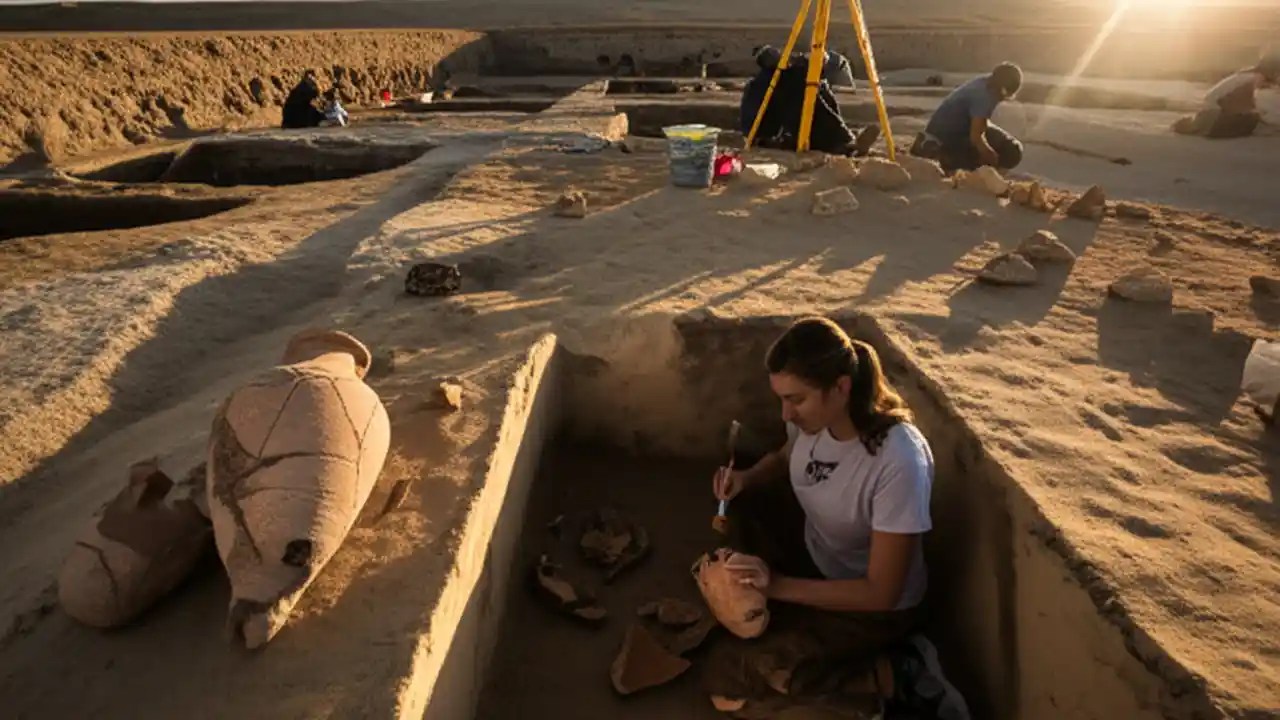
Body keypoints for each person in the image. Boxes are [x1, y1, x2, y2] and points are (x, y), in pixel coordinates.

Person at [704, 317, 968, 719]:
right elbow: (787, 456)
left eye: (796, 400)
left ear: (841, 388)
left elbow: (882, 592)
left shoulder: (897, 461)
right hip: (818, 551)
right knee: (743, 504)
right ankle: (797, 628)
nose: (786, 413)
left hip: (871, 607)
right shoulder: (815, 419)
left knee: (731, 681)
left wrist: (777, 587)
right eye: (781, 399)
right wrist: (745, 479)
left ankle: (897, 675)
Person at [739, 46, 879, 156]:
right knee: (807, 92)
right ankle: (842, 143)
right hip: (771, 134)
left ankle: (843, 140)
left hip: (781, 129)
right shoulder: (783, 79)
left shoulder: (786, 76)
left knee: (815, 90)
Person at [910, 62, 1024, 174]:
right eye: (1006, 95)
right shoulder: (984, 96)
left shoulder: (986, 83)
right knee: (1005, 152)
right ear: (1003, 89)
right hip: (946, 137)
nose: (1003, 99)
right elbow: (976, 137)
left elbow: (980, 123)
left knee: (1009, 147)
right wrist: (989, 155)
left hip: (957, 128)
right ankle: (941, 156)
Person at [1173, 50, 1280, 139]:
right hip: (1218, 121)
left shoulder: (1244, 75)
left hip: (1205, 118)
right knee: (1263, 122)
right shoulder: (1257, 79)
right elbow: (1266, 109)